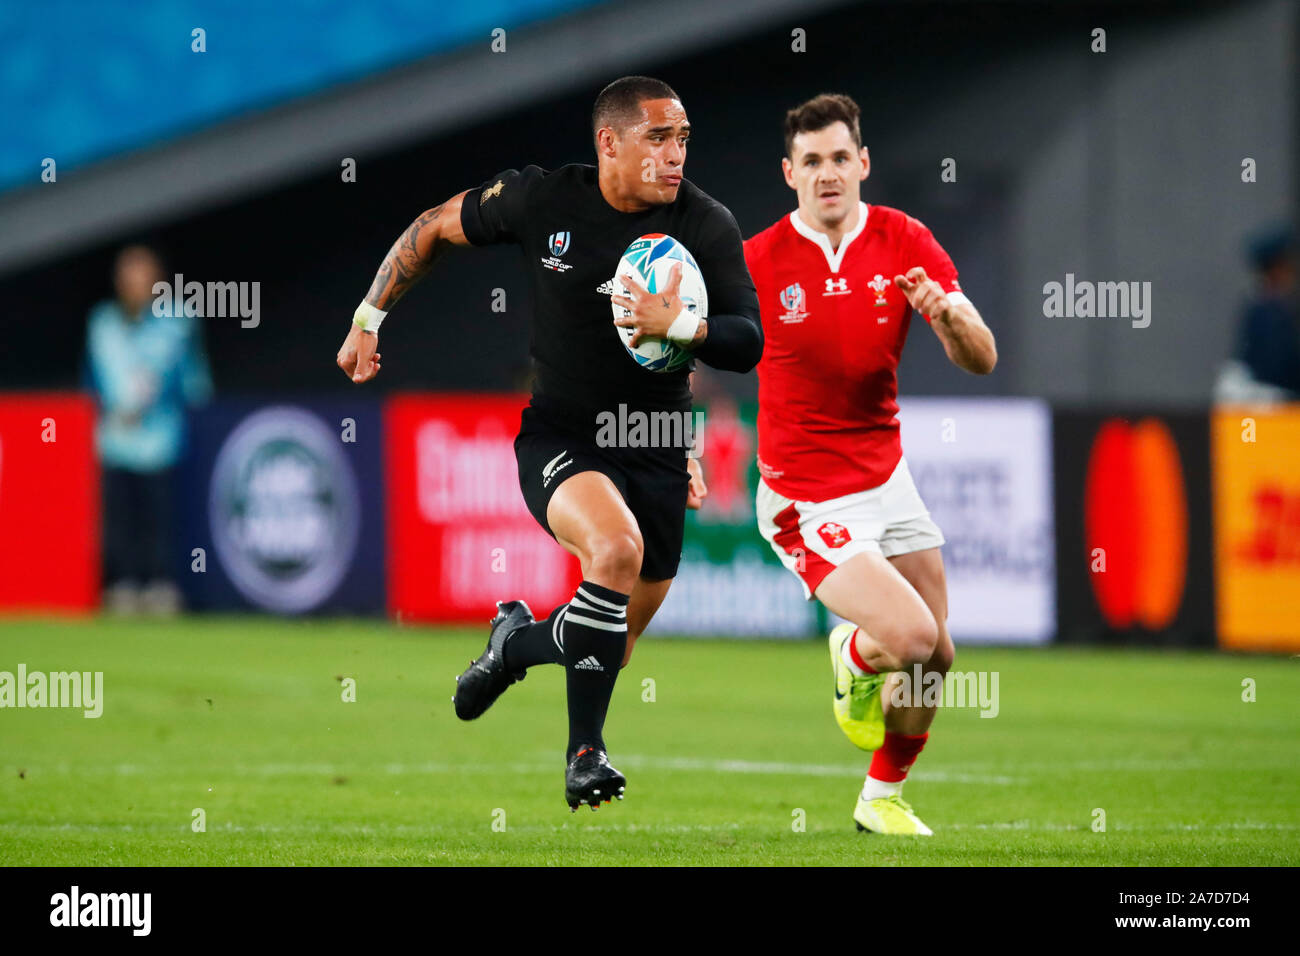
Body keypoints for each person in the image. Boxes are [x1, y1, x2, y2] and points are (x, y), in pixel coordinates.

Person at [336, 76, 762, 810]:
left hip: (658, 443)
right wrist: (370, 315)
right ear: (610, 143)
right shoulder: (544, 201)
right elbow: (436, 226)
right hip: (563, 438)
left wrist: (682, 328)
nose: (674, 155)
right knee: (615, 554)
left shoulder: (705, 224)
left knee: (610, 644)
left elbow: (748, 341)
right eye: (657, 138)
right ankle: (585, 756)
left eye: (682, 138)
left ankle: (514, 645)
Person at [743, 94, 996, 835]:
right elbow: (692, 347)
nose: (828, 173)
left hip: (887, 479)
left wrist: (948, 317)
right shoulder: (757, 260)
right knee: (910, 639)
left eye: (840, 158)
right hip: (805, 497)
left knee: (936, 655)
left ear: (864, 163)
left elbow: (982, 358)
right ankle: (852, 654)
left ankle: (880, 798)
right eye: (811, 161)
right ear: (790, 173)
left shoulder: (903, 238)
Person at [84, 245, 214, 615]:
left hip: (161, 441)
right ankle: (122, 586)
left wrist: (151, 401)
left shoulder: (176, 320)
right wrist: (117, 408)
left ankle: (160, 585)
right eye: (129, 275)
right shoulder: (103, 322)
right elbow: (93, 380)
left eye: (143, 275)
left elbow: (190, 381)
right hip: (114, 441)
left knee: (161, 518)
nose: (135, 283)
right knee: (120, 518)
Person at [1217, 225, 1299, 402]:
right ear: (1276, 269)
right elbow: (1272, 366)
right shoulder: (1265, 310)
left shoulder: (1275, 306)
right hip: (1271, 408)